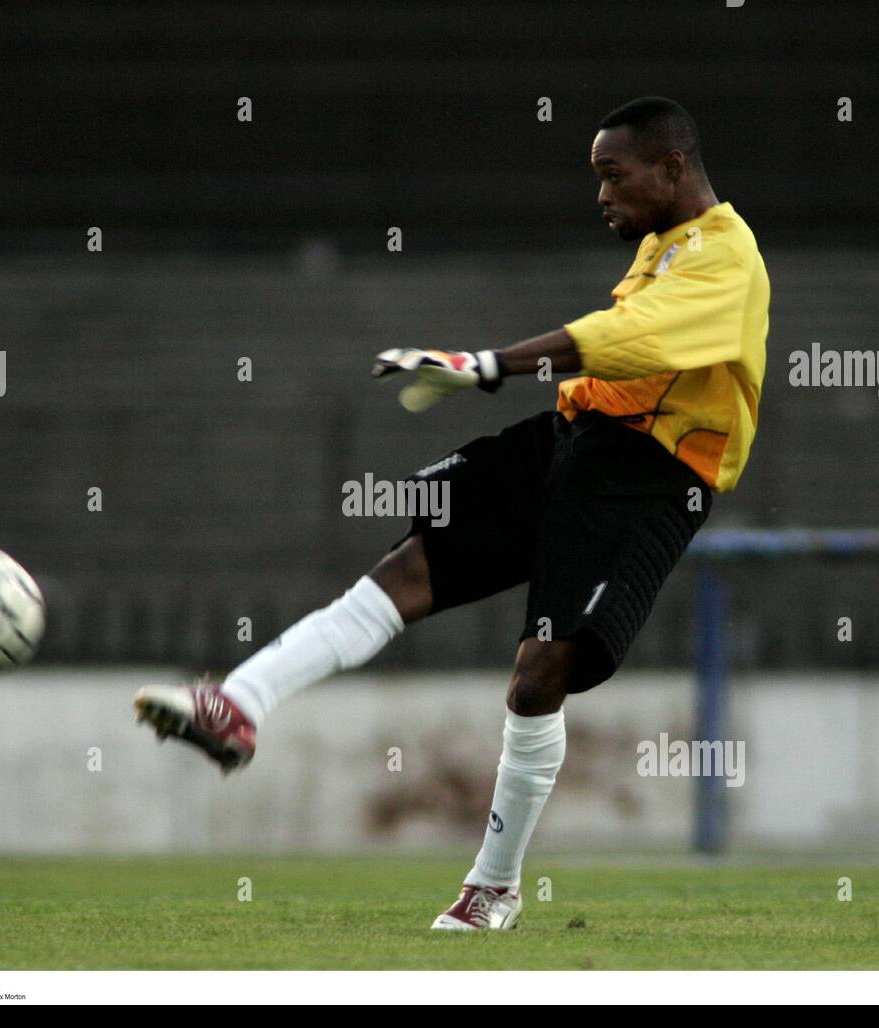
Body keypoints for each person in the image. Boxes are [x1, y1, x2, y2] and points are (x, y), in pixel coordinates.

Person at [134, 97, 770, 931]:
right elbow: (623, 347)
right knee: (408, 564)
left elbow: (637, 339)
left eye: (614, 176)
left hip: (649, 476)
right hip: (572, 439)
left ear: (673, 168)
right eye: (596, 179)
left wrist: (489, 363)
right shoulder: (664, 245)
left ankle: (494, 888)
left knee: (540, 671)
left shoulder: (731, 259)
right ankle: (239, 705)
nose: (602, 196)